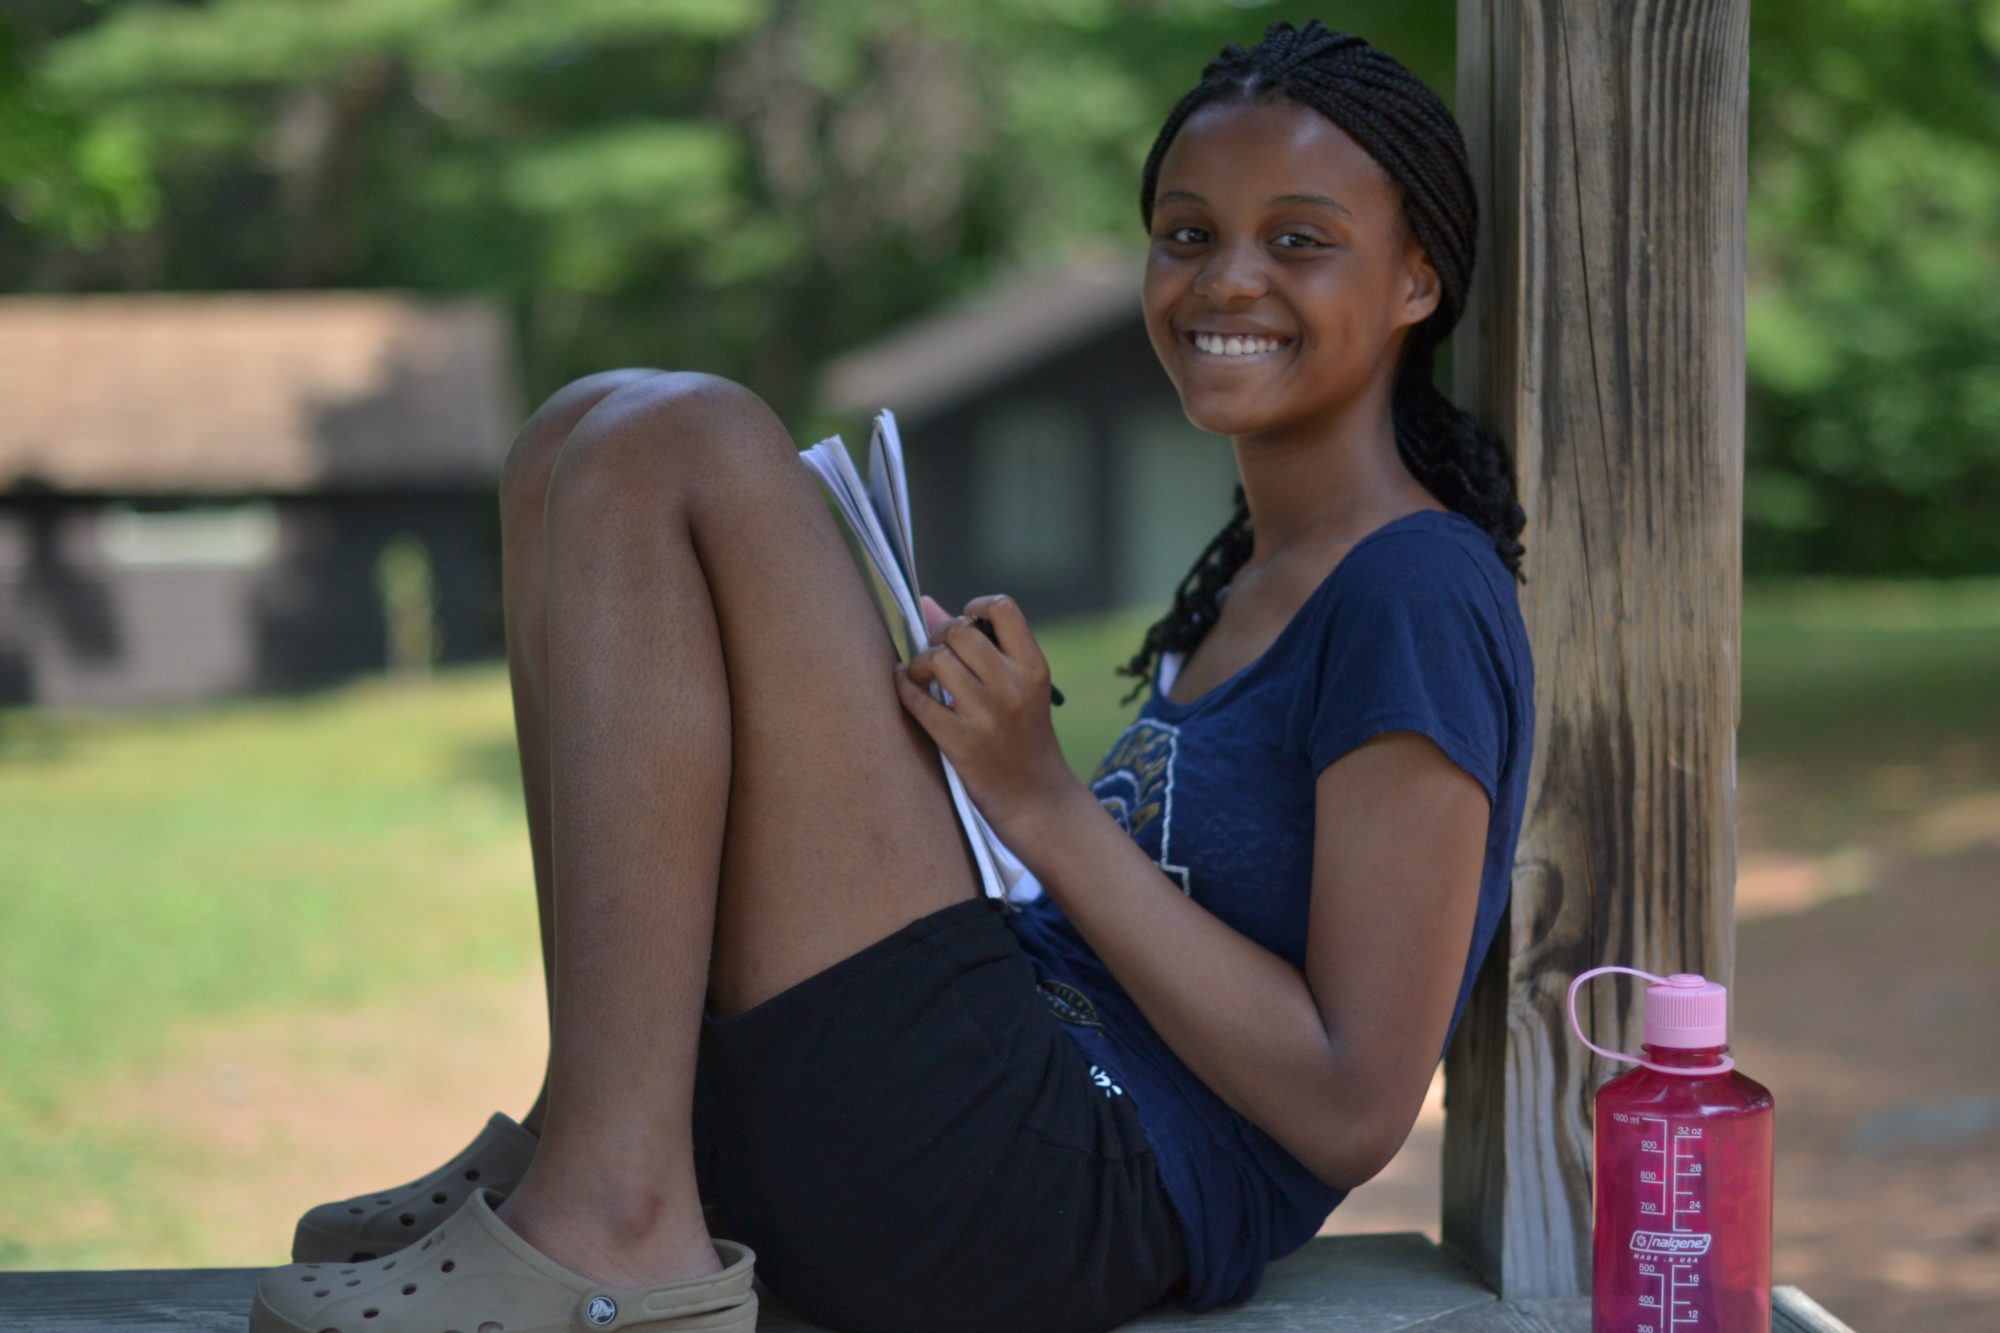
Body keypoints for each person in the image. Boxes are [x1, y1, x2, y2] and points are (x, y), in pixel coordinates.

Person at [248, 18, 1535, 1333]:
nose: (1225, 279)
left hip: (1049, 1191)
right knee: (578, 433)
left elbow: (1353, 1103)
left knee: (684, 437)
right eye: (1189, 233)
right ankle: (600, 1137)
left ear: (1419, 280)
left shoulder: (1417, 591)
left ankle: (622, 1220)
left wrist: (1036, 796)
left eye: (1300, 240)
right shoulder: (1255, 573)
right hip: (974, 1103)